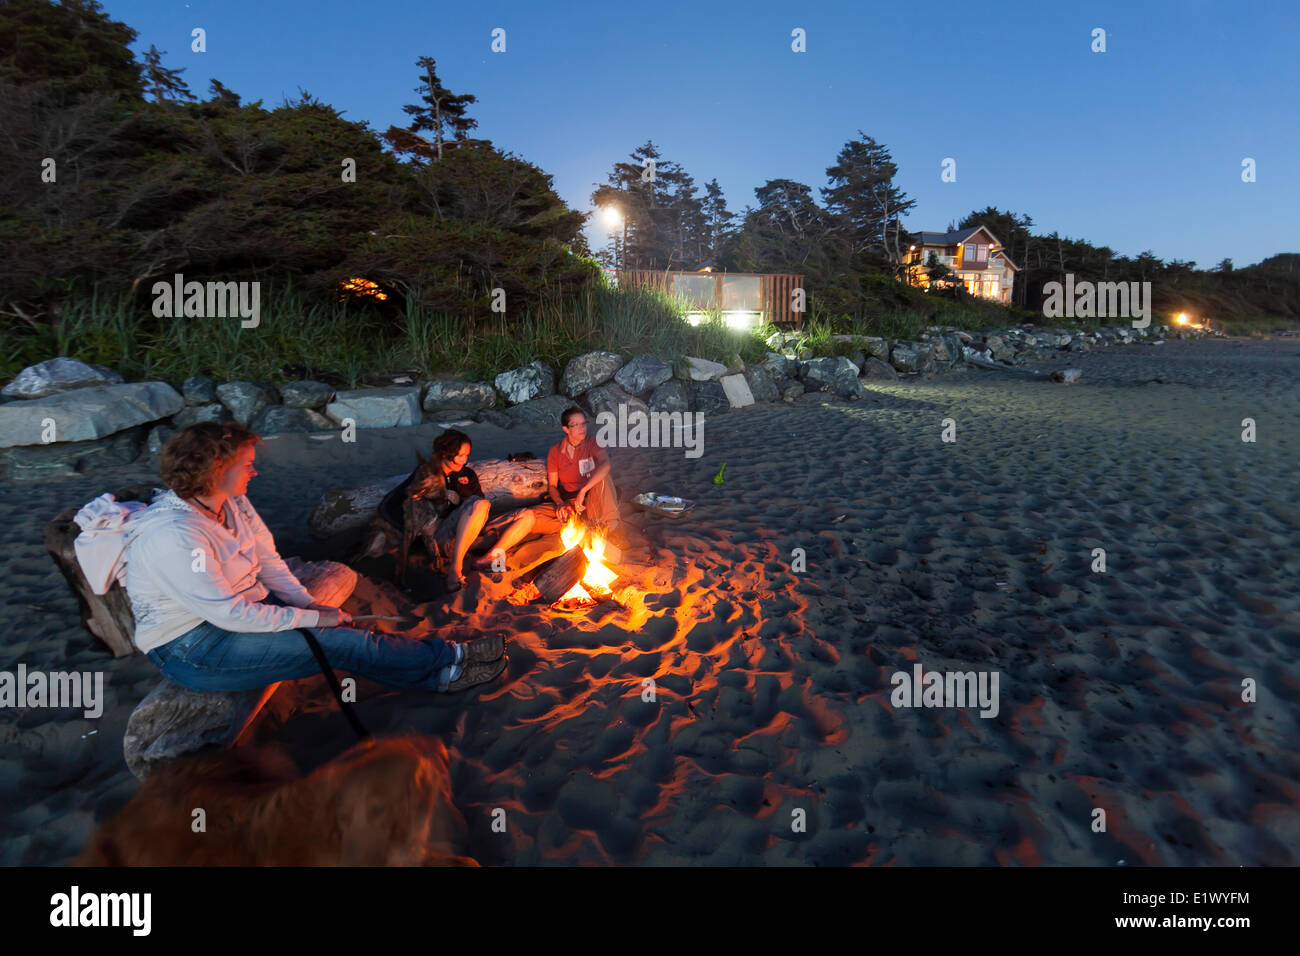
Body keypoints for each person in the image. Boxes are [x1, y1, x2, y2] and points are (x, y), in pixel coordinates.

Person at [124, 423, 506, 695]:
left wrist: (307, 603)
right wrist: (314, 617)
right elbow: (229, 615)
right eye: (246, 465)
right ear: (214, 471)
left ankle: (438, 667)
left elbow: (270, 562)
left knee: (339, 628)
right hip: (193, 645)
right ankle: (445, 664)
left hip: (240, 606)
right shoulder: (175, 535)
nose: (255, 471)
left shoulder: (232, 501)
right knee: (337, 643)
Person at [475, 406, 620, 569]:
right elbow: (552, 486)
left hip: (593, 503)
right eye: (576, 425)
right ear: (566, 429)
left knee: (603, 479)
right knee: (528, 515)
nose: (582, 428)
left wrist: (583, 491)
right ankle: (491, 554)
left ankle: (604, 535)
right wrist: (560, 503)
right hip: (570, 508)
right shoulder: (556, 452)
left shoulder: (593, 444)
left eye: (583, 424)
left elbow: (605, 465)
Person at [377, 429, 491, 593]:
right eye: (460, 455)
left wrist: (457, 500)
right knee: (479, 504)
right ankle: (455, 568)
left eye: (467, 455)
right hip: (437, 538)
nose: (464, 460)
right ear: (445, 453)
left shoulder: (468, 475)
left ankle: (478, 552)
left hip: (464, 533)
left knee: (507, 513)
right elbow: (390, 505)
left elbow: (480, 506)